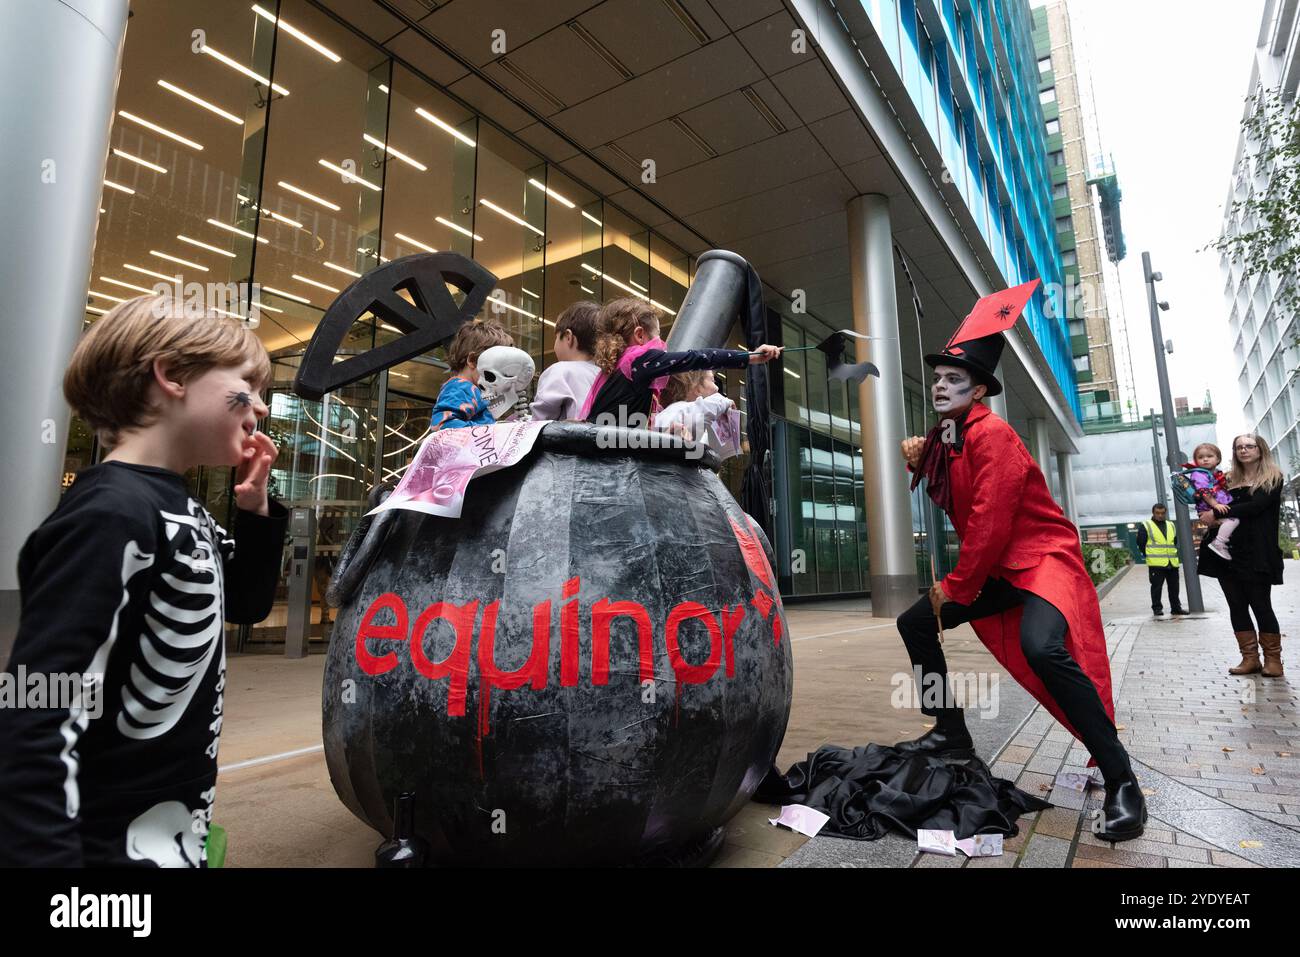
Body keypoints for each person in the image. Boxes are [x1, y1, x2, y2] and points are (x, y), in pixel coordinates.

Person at [0, 295, 287, 866]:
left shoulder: (179, 506)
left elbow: (247, 604)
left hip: (175, 832)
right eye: (246, 387)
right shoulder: (110, 514)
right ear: (173, 375)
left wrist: (255, 510)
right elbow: (35, 706)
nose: (259, 408)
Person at [896, 282, 1145, 843]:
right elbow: (957, 498)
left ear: (978, 389)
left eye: (953, 379)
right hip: (1002, 571)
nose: (940, 384)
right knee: (914, 622)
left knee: (1042, 646)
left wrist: (956, 587)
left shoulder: (996, 435)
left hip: (1041, 560)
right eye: (937, 377)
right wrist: (921, 458)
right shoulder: (951, 435)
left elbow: (990, 521)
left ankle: (1122, 779)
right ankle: (951, 732)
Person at [578, 297, 780, 425]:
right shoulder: (639, 362)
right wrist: (749, 357)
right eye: (657, 336)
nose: (663, 345)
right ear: (640, 335)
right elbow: (696, 358)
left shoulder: (613, 370)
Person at [1198, 433, 1285, 677]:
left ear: (1260, 449)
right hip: (1225, 551)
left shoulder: (1272, 477)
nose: (1244, 450)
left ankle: (1273, 660)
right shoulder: (1225, 479)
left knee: (1261, 605)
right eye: (1239, 447)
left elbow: (1255, 507)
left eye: (1249, 446)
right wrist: (1208, 512)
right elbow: (1209, 503)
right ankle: (1249, 658)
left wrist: (1215, 514)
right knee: (1236, 606)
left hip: (1257, 550)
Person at [431, 319, 513, 431]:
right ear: (473, 360)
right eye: (496, 367)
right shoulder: (461, 388)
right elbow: (443, 425)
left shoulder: (471, 389)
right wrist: (486, 432)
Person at [530, 301, 600, 421]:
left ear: (568, 337)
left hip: (570, 439)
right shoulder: (605, 374)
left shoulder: (560, 371)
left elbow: (540, 420)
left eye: (556, 337)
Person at [654, 370, 737, 450]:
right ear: (698, 388)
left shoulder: (675, 412)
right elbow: (703, 409)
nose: (717, 388)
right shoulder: (678, 409)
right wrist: (725, 401)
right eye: (713, 381)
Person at [1181, 443, 1237, 560]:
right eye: (1200, 457)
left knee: (1227, 523)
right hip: (1209, 507)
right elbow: (1204, 492)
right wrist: (1215, 505)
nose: (1205, 459)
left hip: (1215, 505)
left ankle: (1222, 541)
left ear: (1218, 459)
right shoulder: (1198, 474)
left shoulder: (1214, 473)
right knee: (1233, 520)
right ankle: (1219, 543)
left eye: (1209, 456)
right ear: (1196, 461)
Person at [1136, 503, 1188, 616]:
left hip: (1172, 562)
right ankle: (1157, 608)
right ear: (1153, 513)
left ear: (1165, 513)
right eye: (1157, 513)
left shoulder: (1171, 525)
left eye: (1162, 513)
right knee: (1156, 587)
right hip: (1156, 563)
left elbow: (1174, 541)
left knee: (1174, 588)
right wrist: (1149, 555)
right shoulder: (1146, 525)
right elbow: (1140, 543)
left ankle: (1176, 608)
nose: (1160, 515)